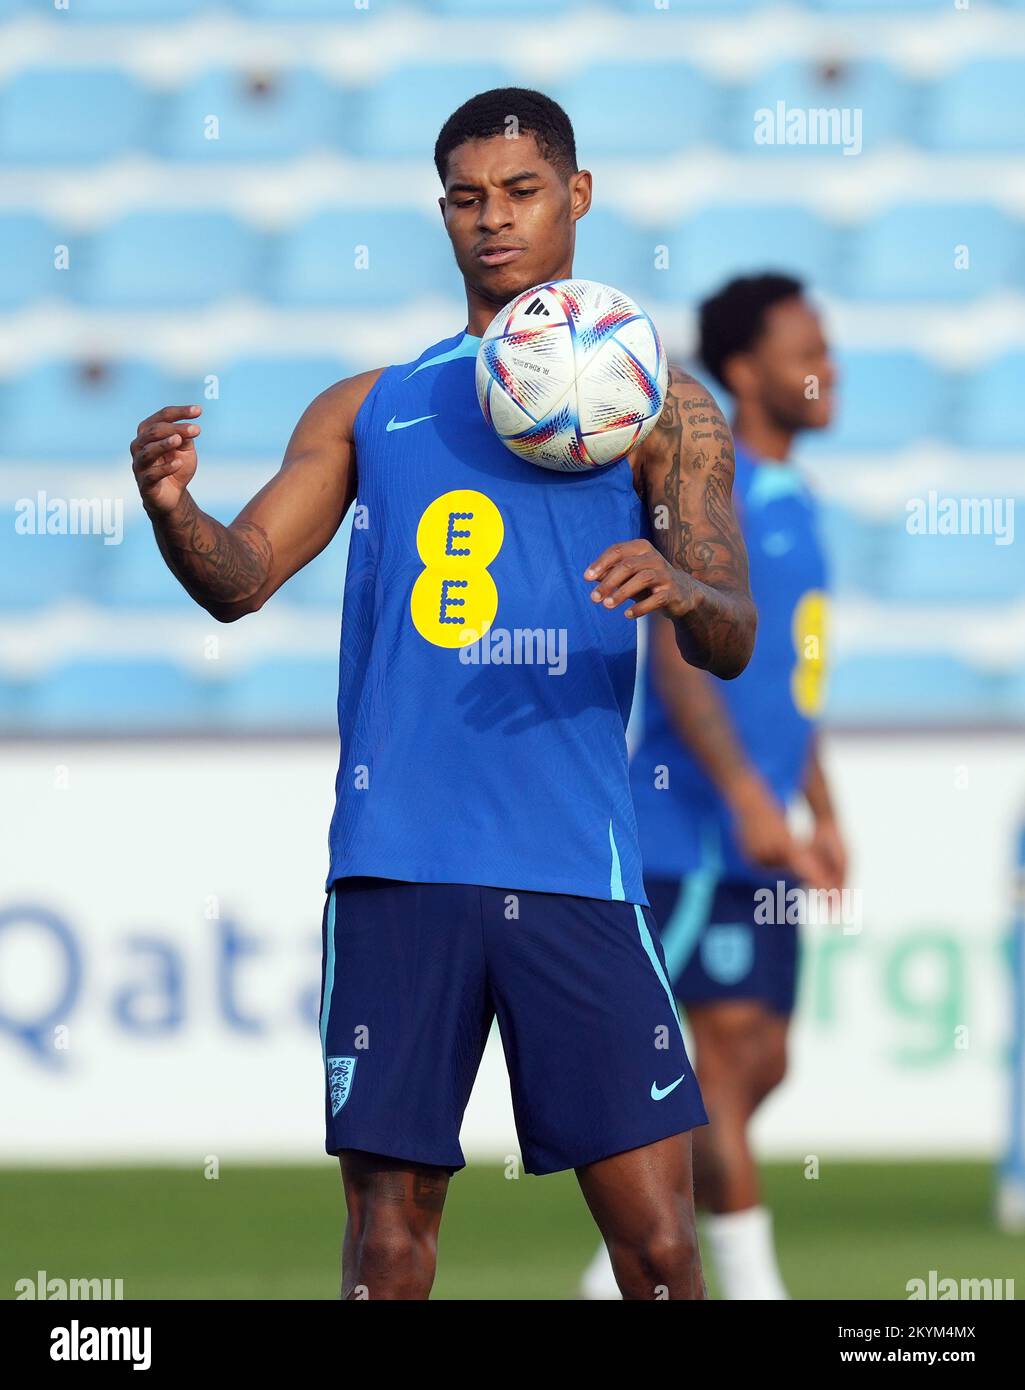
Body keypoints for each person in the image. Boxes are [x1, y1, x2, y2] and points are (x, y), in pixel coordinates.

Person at [129, 89, 755, 1301]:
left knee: (662, 1249)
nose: (492, 221)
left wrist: (679, 584)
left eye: (520, 192)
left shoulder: (658, 411)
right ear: (441, 212)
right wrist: (175, 514)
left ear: (576, 196)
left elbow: (729, 635)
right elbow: (240, 579)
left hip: (573, 865)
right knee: (388, 1243)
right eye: (467, 198)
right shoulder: (374, 403)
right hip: (396, 862)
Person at [582, 273, 846, 1300]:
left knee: (757, 1061)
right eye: (805, 348)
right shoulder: (718, 493)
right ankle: (749, 1285)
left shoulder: (792, 501)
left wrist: (819, 807)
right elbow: (678, 647)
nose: (826, 367)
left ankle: (609, 1286)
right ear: (743, 371)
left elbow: (789, 681)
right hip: (689, 836)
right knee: (718, 1071)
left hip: (753, 832)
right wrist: (743, 793)